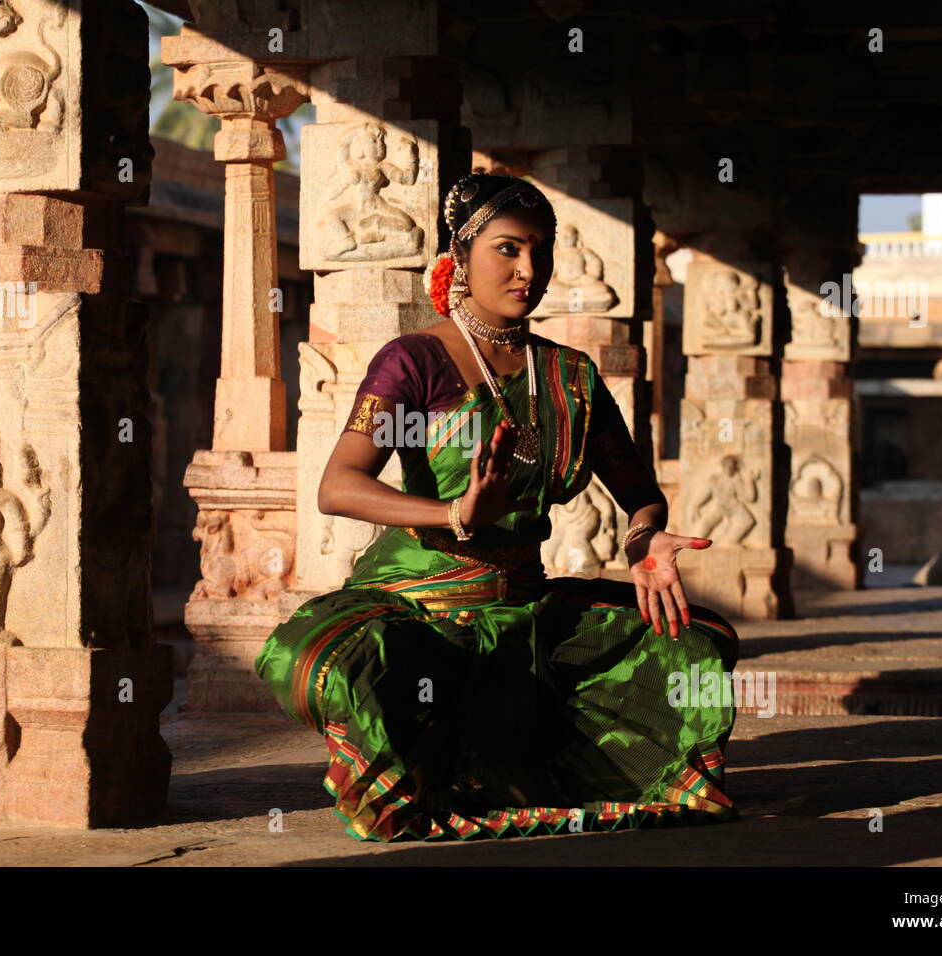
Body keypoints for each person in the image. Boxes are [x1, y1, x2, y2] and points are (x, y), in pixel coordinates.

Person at [255, 172, 740, 841]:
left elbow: (640, 495)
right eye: (508, 249)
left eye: (540, 252)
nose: (528, 270)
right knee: (331, 663)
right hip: (423, 602)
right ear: (461, 258)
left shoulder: (571, 375)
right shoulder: (414, 362)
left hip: (524, 607)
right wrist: (453, 514)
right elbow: (338, 485)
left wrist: (644, 541)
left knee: (697, 646)